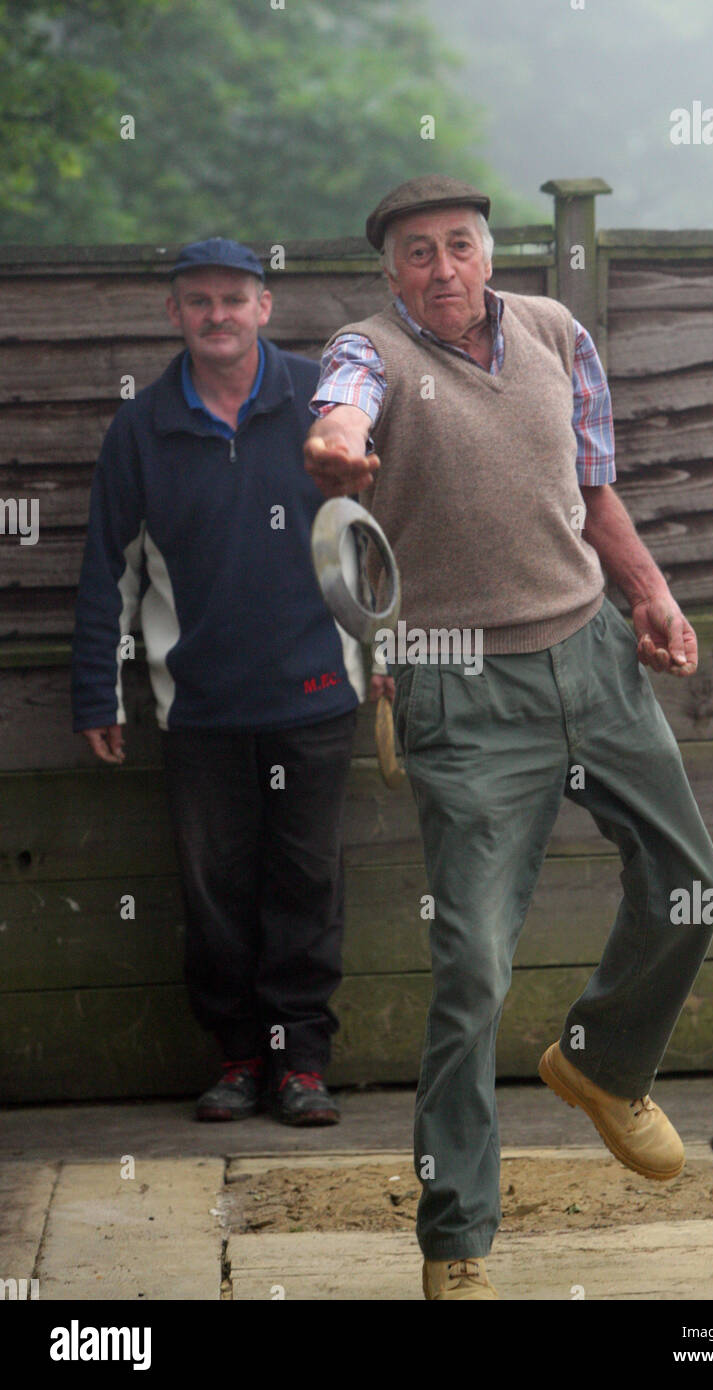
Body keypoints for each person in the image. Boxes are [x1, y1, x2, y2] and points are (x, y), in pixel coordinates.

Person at [303, 176, 713, 1298]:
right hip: (461, 691)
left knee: (694, 885)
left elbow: (594, 494)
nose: (442, 268)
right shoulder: (368, 350)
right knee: (472, 970)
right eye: (417, 253)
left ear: (490, 254)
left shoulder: (557, 333)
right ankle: (457, 1241)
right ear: (390, 271)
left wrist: (651, 595)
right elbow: (340, 409)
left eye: (460, 245)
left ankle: (603, 1066)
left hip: (593, 656)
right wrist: (337, 443)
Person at [72, 237, 365, 1126]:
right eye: (198, 301)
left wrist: (390, 660)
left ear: (264, 306)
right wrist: (95, 692)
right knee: (216, 895)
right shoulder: (141, 428)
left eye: (234, 298)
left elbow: (377, 539)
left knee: (307, 888)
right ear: (175, 313)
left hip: (317, 694)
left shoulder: (324, 403)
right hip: (198, 708)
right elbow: (107, 572)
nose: (217, 315)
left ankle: (302, 1066)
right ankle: (238, 1060)